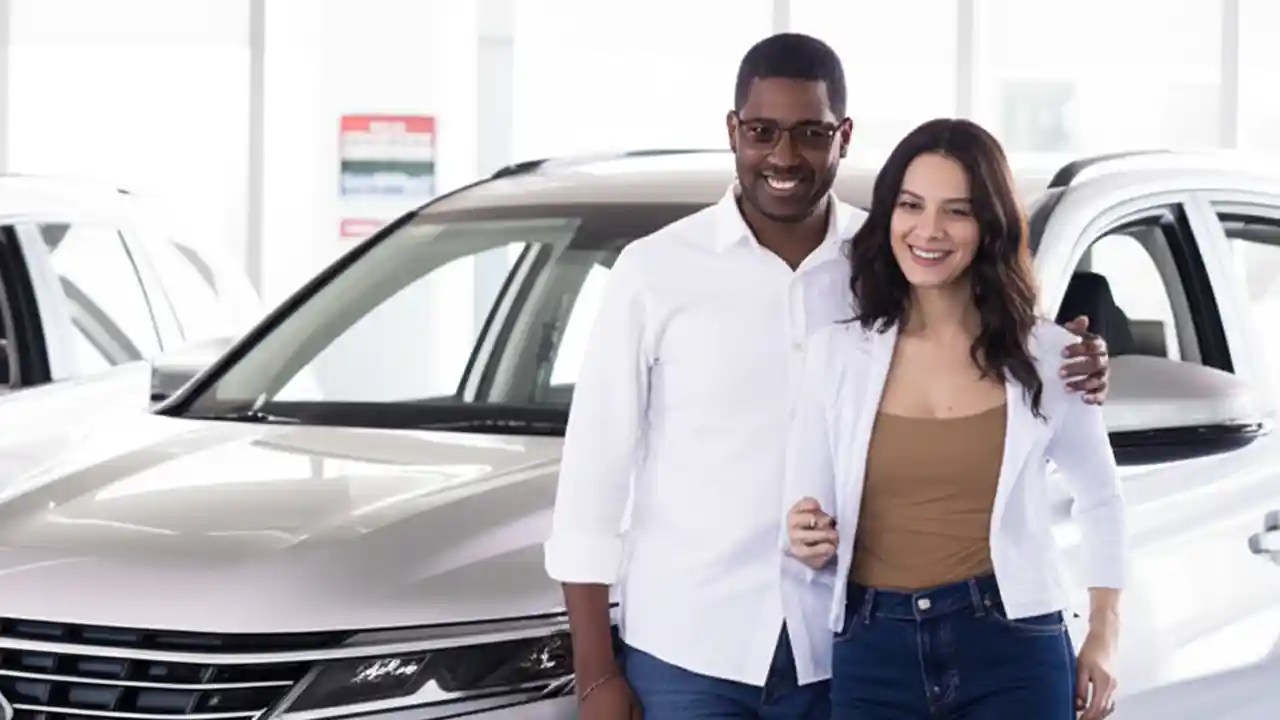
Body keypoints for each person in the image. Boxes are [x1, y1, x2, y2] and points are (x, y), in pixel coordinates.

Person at [544, 34, 1110, 720]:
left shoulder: (892, 257)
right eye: (762, 132)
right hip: (688, 649)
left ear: (842, 136)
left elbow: (992, 340)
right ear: (734, 132)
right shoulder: (655, 271)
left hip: (840, 648)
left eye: (810, 133)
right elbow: (592, 478)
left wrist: (1073, 352)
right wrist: (595, 674)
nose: (784, 156)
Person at [784, 118, 1125, 720]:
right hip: (874, 647)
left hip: (1012, 643)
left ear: (989, 226)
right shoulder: (836, 355)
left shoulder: (1050, 357)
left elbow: (1100, 499)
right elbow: (809, 515)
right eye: (911, 205)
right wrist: (807, 537)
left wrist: (1103, 633)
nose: (929, 230)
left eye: (957, 211)